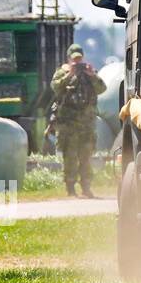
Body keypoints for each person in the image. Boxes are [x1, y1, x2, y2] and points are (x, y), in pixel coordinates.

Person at [50, 44, 106, 198]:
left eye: (79, 58)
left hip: (86, 124)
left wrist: (91, 75)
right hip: (68, 124)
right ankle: (70, 188)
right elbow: (55, 87)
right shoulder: (62, 73)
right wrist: (70, 74)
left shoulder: (89, 74)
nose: (77, 61)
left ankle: (86, 188)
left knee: (86, 157)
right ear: (69, 58)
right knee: (70, 157)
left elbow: (102, 88)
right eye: (74, 59)